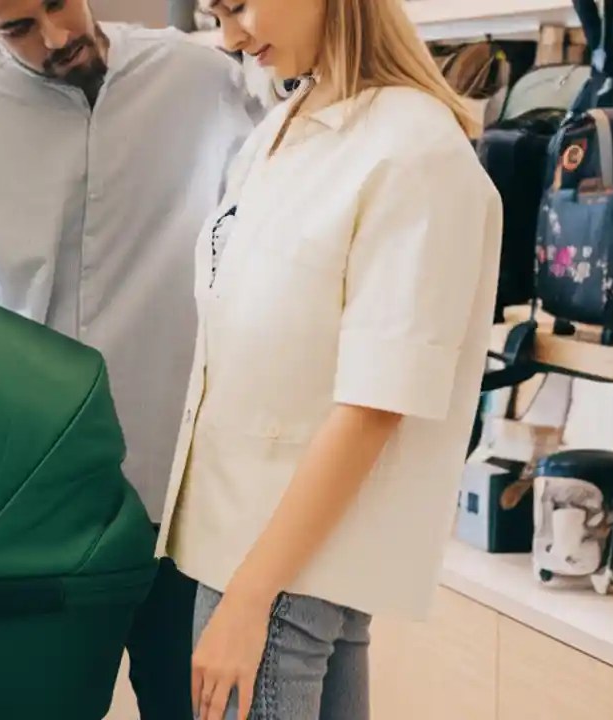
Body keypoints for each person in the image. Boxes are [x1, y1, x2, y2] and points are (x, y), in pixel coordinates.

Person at [0, 1, 261, 717]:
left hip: (189, 498)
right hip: (32, 512)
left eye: (58, 4)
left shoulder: (203, 79)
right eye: (18, 28)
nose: (57, 38)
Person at [154, 1, 502, 719]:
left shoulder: (414, 151)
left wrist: (252, 596)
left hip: (278, 563)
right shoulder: (284, 125)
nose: (228, 36)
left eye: (238, 6)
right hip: (246, 541)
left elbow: (377, 402)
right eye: (214, 13)